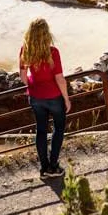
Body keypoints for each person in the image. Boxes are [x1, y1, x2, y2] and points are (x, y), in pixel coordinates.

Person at [19, 18, 70, 177]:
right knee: (58, 128)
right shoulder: (52, 52)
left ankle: (44, 168)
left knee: (41, 131)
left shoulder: (25, 50)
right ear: (46, 33)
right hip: (54, 96)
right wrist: (66, 99)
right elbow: (60, 78)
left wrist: (34, 86)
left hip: (35, 97)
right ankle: (53, 167)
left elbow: (22, 75)